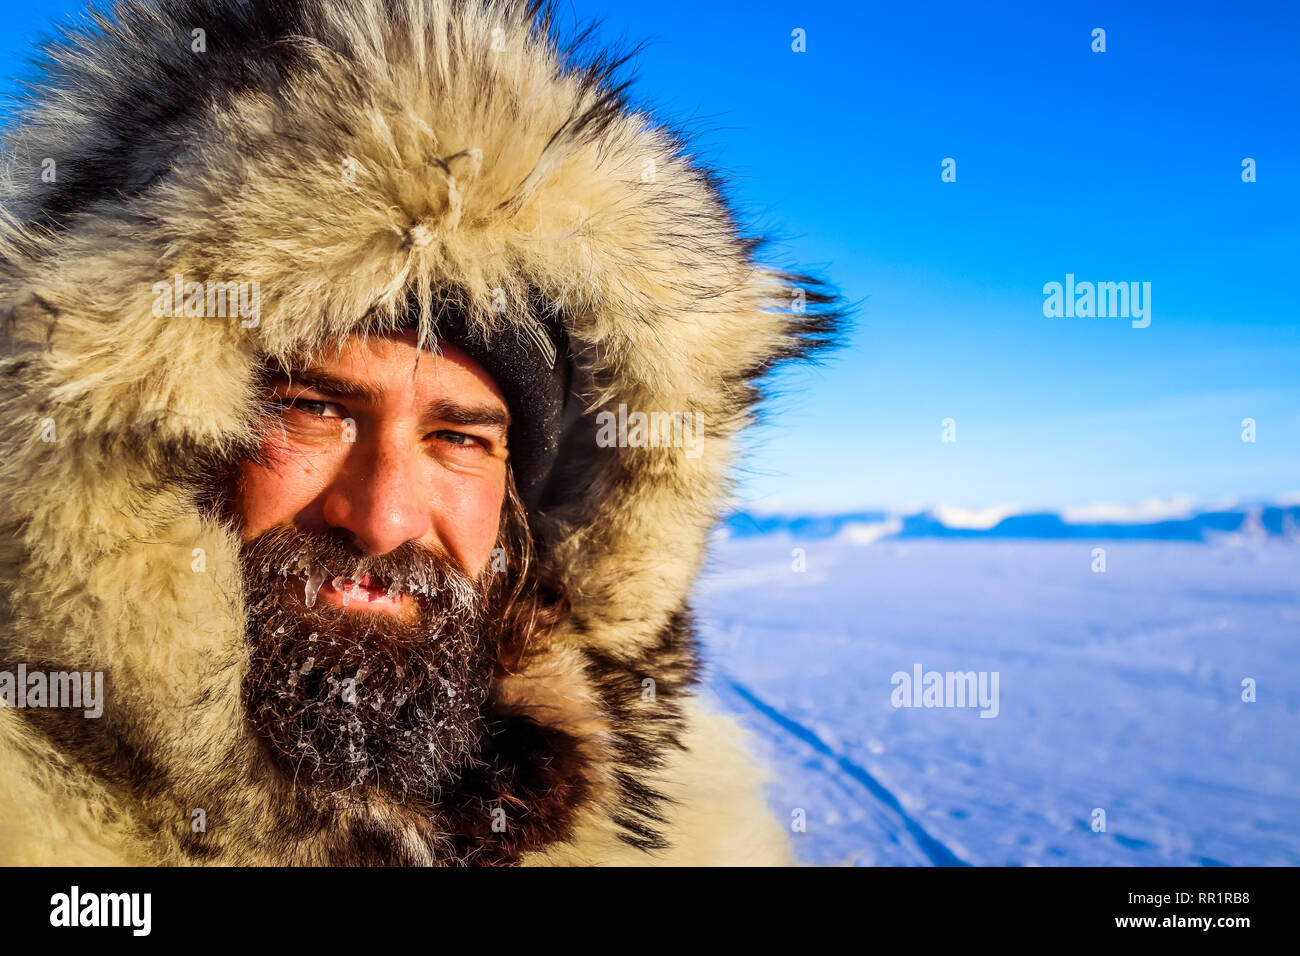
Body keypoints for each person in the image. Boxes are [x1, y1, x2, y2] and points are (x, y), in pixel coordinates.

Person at [0, 0, 839, 865]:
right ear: (163, 447)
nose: (386, 515)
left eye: (461, 439)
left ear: (527, 501)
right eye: (314, 410)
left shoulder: (690, 841)